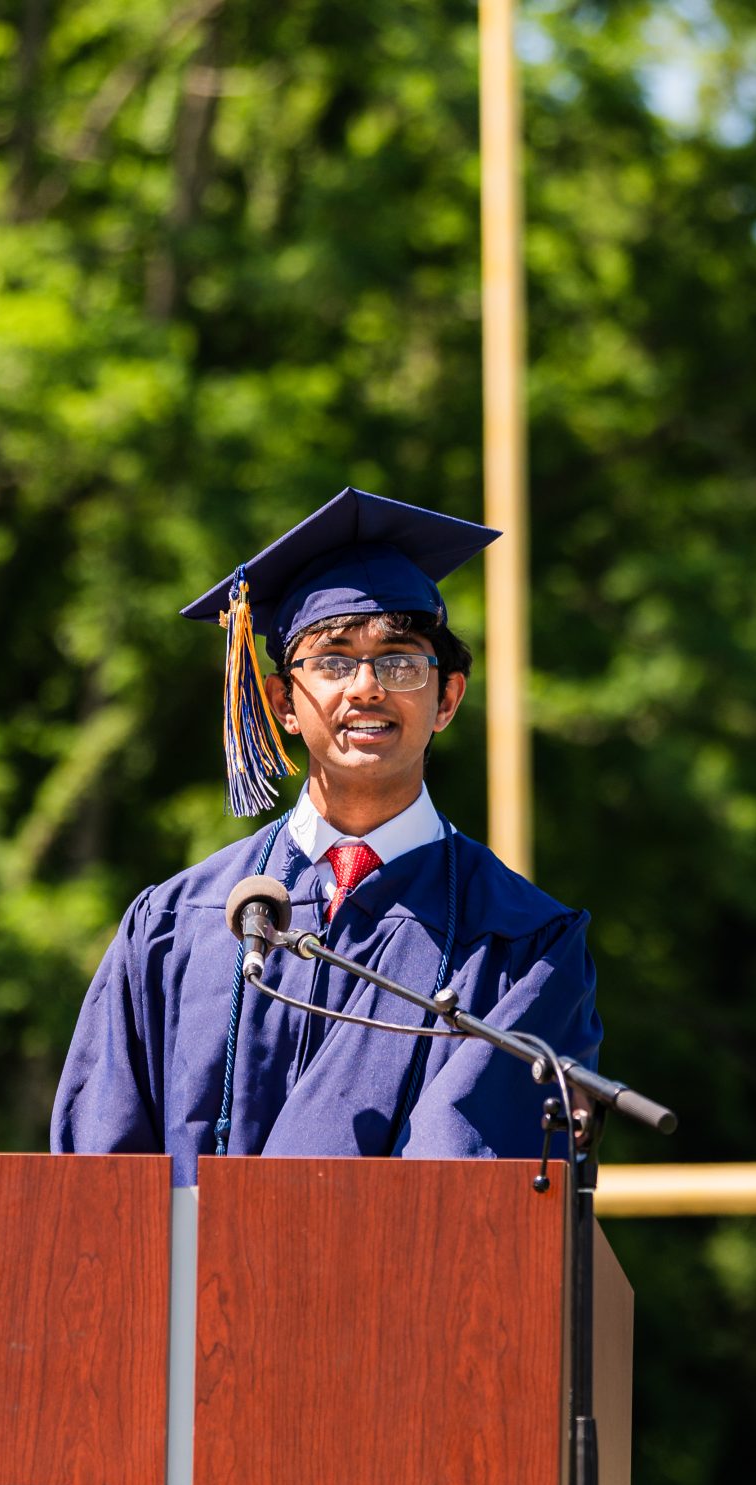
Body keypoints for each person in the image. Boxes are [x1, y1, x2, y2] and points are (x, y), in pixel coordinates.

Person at [50, 488, 601, 1177]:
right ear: (282, 702)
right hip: (178, 1287)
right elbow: (98, 1174)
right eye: (333, 661)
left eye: (400, 661)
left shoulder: (525, 947)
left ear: (447, 699)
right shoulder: (175, 925)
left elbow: (476, 1189)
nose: (366, 687)